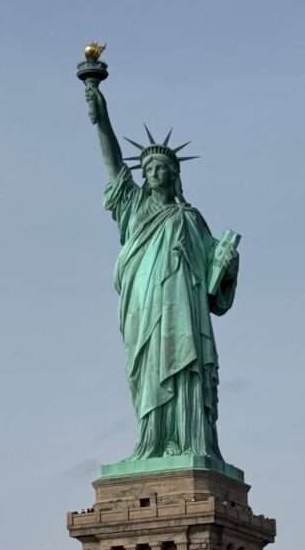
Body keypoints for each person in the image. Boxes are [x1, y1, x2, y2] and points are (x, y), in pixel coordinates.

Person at [84, 74, 241, 468]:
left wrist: (225, 263)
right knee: (149, 370)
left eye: (161, 168)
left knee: (185, 366)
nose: (153, 173)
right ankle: (151, 442)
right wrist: (101, 119)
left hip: (183, 309)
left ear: (174, 174)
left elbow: (213, 290)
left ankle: (187, 441)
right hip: (144, 303)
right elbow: (113, 162)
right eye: (148, 168)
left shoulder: (191, 218)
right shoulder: (132, 208)